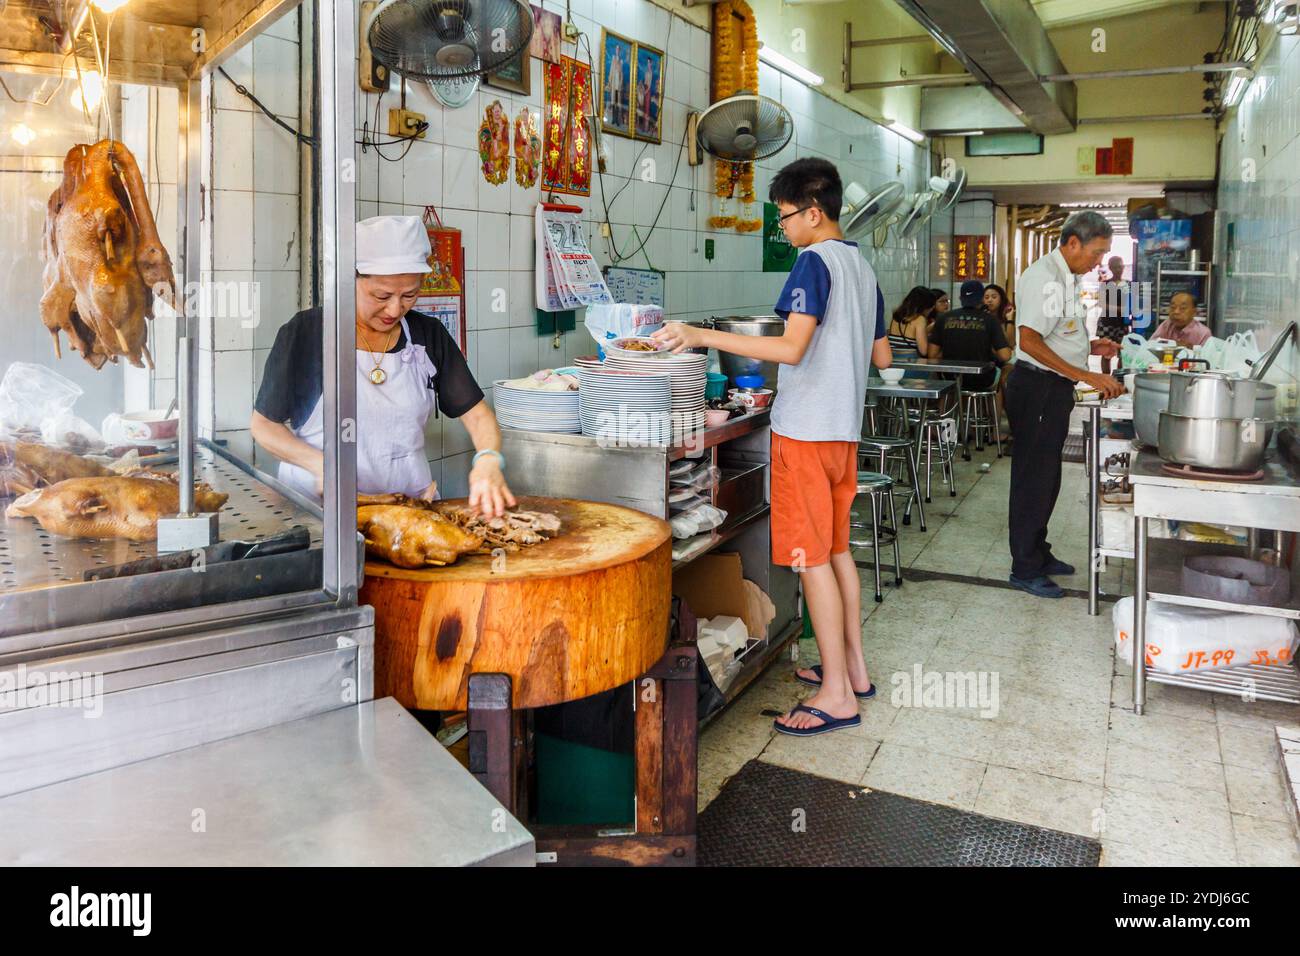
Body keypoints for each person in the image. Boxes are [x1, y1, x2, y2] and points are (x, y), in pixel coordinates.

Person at [653, 157, 891, 737]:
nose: (781, 229)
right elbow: (881, 359)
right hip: (843, 435)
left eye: (784, 217)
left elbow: (789, 350)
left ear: (813, 212)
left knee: (812, 563)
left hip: (806, 434)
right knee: (836, 554)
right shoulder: (861, 267)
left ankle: (836, 696)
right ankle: (852, 670)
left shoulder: (813, 262)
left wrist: (697, 333)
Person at [250, 215, 516, 518]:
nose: (394, 309)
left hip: (410, 513)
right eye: (381, 295)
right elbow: (264, 426)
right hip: (320, 514)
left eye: (409, 295)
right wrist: (318, 464)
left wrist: (488, 459)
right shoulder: (307, 333)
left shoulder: (428, 336)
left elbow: (478, 416)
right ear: (350, 280)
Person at [1005, 211, 1122, 599]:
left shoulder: (1067, 278)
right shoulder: (1044, 277)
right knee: (1032, 480)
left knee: (1047, 476)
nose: (1098, 261)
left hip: (1051, 388)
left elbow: (1055, 336)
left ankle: (1038, 551)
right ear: (1073, 242)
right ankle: (1024, 567)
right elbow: (1030, 341)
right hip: (1036, 388)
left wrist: (1090, 347)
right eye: (1097, 252)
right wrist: (1088, 374)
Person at [929, 279, 1012, 392]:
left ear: (960, 298)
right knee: (1000, 378)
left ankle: (947, 409)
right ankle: (993, 410)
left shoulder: (943, 318)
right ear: (982, 299)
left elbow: (932, 354)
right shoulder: (991, 320)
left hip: (949, 377)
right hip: (982, 378)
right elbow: (1005, 356)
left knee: (949, 390)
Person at [887, 286, 936, 354]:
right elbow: (923, 351)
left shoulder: (896, 316)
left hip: (893, 360)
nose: (931, 310)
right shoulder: (919, 319)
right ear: (925, 306)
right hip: (910, 361)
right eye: (932, 307)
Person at [1096, 256, 1132, 345]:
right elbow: (1101, 304)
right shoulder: (1105, 284)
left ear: (1123, 267)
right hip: (1107, 324)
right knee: (1106, 354)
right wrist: (1121, 309)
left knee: (1123, 354)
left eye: (1119, 266)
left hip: (1123, 324)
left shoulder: (1129, 284)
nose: (1118, 269)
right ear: (1110, 268)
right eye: (1115, 267)